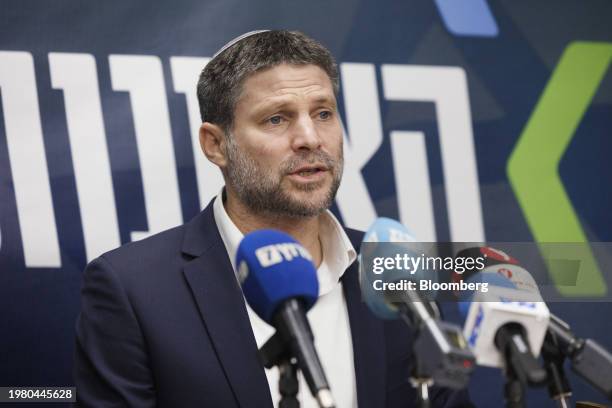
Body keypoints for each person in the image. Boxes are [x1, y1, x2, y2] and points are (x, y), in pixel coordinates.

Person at [74, 30, 473, 407]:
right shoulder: (133, 289)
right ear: (216, 145)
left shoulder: (394, 268)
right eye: (277, 119)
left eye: (323, 113)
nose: (310, 138)